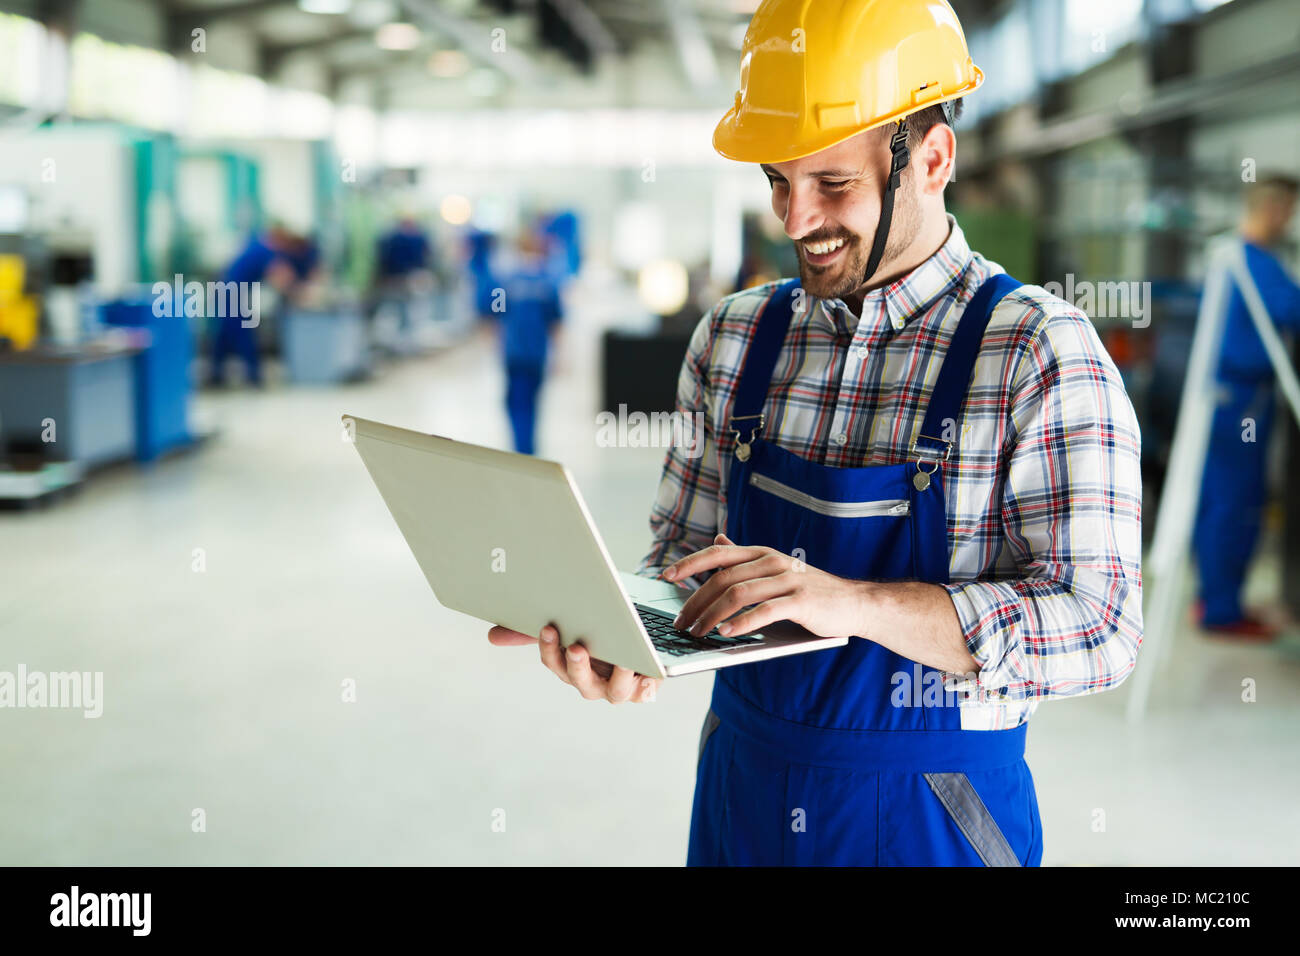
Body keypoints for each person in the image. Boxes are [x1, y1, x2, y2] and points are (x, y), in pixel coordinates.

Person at [487, 0, 1143, 866]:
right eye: (777, 183)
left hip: (935, 812)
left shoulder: (1036, 351)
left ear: (933, 159)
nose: (796, 221)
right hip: (744, 784)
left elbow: (1100, 630)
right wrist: (632, 637)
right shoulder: (736, 336)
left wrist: (850, 602)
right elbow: (682, 551)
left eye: (833, 184)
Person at [1193, 174, 1300, 640]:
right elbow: (1293, 310)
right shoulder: (1255, 263)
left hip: (1226, 399)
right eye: (1290, 211)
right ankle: (1222, 609)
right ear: (1274, 209)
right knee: (1235, 503)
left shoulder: (1230, 255)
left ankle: (1213, 598)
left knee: (1219, 499)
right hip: (1243, 406)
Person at [209, 225, 314, 387]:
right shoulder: (267, 252)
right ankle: (254, 375)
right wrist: (299, 293)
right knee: (242, 333)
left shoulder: (256, 245)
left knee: (225, 335)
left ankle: (216, 375)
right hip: (232, 293)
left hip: (225, 290)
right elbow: (282, 278)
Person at [492, 228, 563, 455]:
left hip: (514, 352)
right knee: (531, 404)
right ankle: (528, 449)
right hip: (536, 353)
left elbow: (496, 315)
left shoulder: (506, 282)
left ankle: (522, 450)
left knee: (516, 403)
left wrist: (497, 344)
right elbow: (556, 322)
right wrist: (560, 355)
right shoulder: (548, 283)